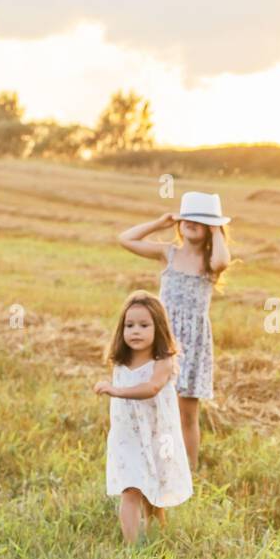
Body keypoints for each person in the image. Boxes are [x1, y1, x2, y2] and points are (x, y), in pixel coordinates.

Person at [117, 191, 231, 472]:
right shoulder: (168, 253)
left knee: (186, 413)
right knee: (155, 403)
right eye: (187, 218)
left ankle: (188, 472)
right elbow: (125, 239)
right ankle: (156, 463)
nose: (191, 223)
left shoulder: (209, 262)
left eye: (201, 221)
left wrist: (216, 229)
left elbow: (222, 262)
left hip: (193, 343)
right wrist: (160, 222)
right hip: (163, 339)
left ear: (211, 229)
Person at [95, 291, 193, 545]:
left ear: (158, 327)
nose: (135, 331)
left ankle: (157, 530)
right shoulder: (121, 361)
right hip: (127, 437)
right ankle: (132, 549)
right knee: (131, 489)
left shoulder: (163, 361)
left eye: (143, 325)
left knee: (155, 488)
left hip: (158, 436)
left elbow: (150, 389)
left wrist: (116, 390)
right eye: (129, 325)